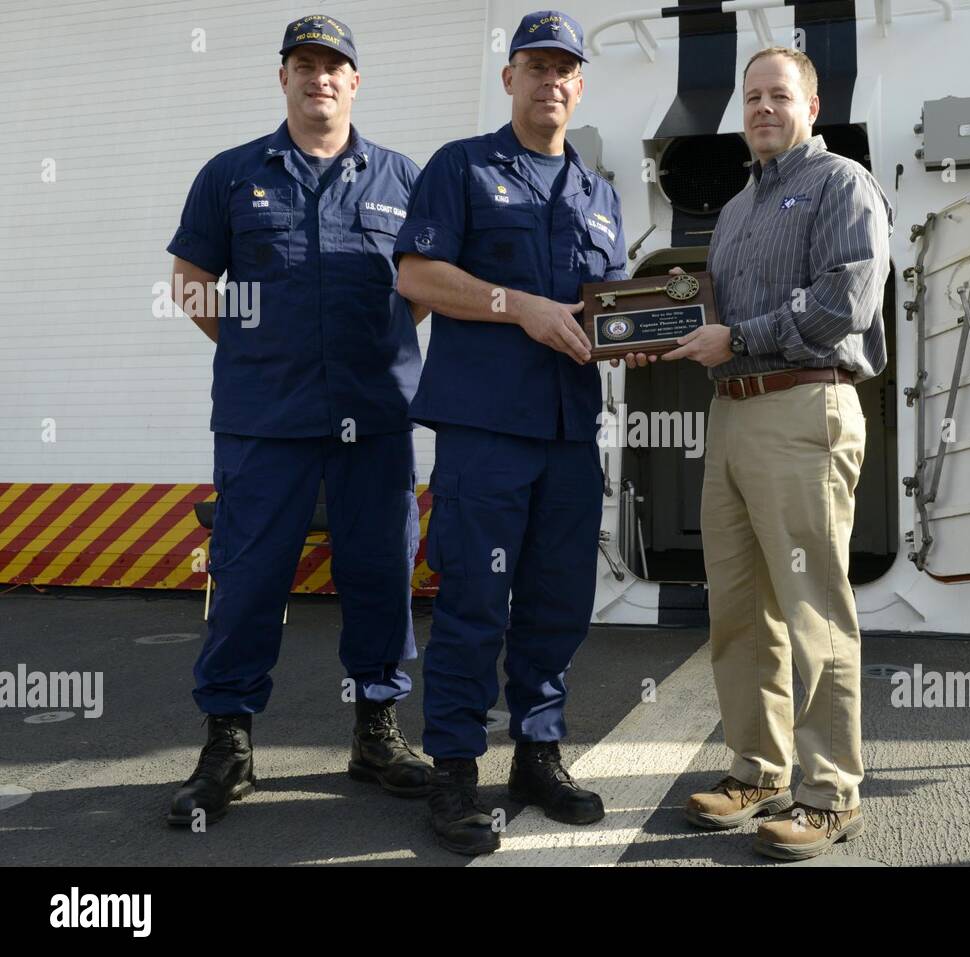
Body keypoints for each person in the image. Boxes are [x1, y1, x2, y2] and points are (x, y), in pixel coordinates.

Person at [164, 14, 433, 827]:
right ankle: (228, 743)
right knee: (246, 580)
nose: (320, 77)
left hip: (374, 418)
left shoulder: (402, 178)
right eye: (305, 63)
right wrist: (258, 349)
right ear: (282, 77)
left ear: (355, 82)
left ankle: (376, 732)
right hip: (263, 422)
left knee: (381, 575)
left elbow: (422, 289)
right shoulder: (231, 174)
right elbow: (189, 282)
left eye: (335, 66)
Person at [393, 10, 626, 856]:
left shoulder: (601, 195)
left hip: (569, 434)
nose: (551, 82)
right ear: (510, 80)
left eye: (566, 69)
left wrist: (658, 323)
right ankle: (455, 767)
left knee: (559, 604)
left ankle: (537, 751)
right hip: (487, 429)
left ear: (579, 86)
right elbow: (416, 274)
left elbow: (610, 311)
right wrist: (514, 305)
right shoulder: (462, 167)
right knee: (473, 604)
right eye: (536, 66)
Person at [659, 46, 893, 861]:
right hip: (733, 413)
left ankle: (830, 793)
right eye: (752, 97)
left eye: (778, 95)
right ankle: (758, 768)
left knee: (812, 607)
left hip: (804, 404)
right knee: (739, 607)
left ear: (812, 105)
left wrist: (737, 338)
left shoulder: (842, 186)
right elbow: (712, 313)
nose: (762, 108)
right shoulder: (733, 211)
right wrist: (667, 334)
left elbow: (843, 302)